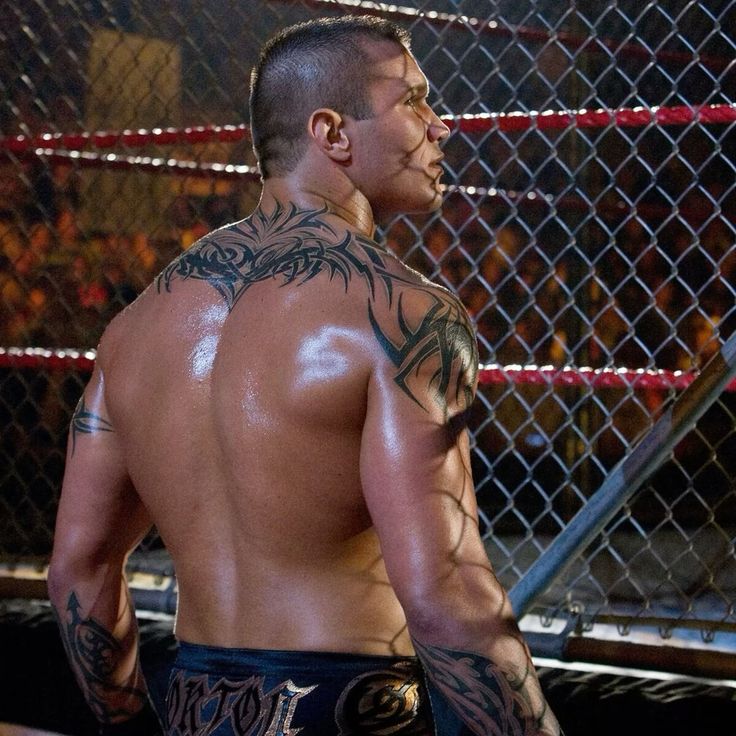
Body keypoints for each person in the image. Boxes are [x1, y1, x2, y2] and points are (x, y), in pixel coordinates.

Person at [48, 15, 563, 736]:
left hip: (193, 705)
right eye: (413, 100)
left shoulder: (137, 328)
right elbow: (444, 594)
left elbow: (78, 570)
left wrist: (130, 730)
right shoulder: (401, 313)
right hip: (348, 705)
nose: (440, 126)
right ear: (332, 133)